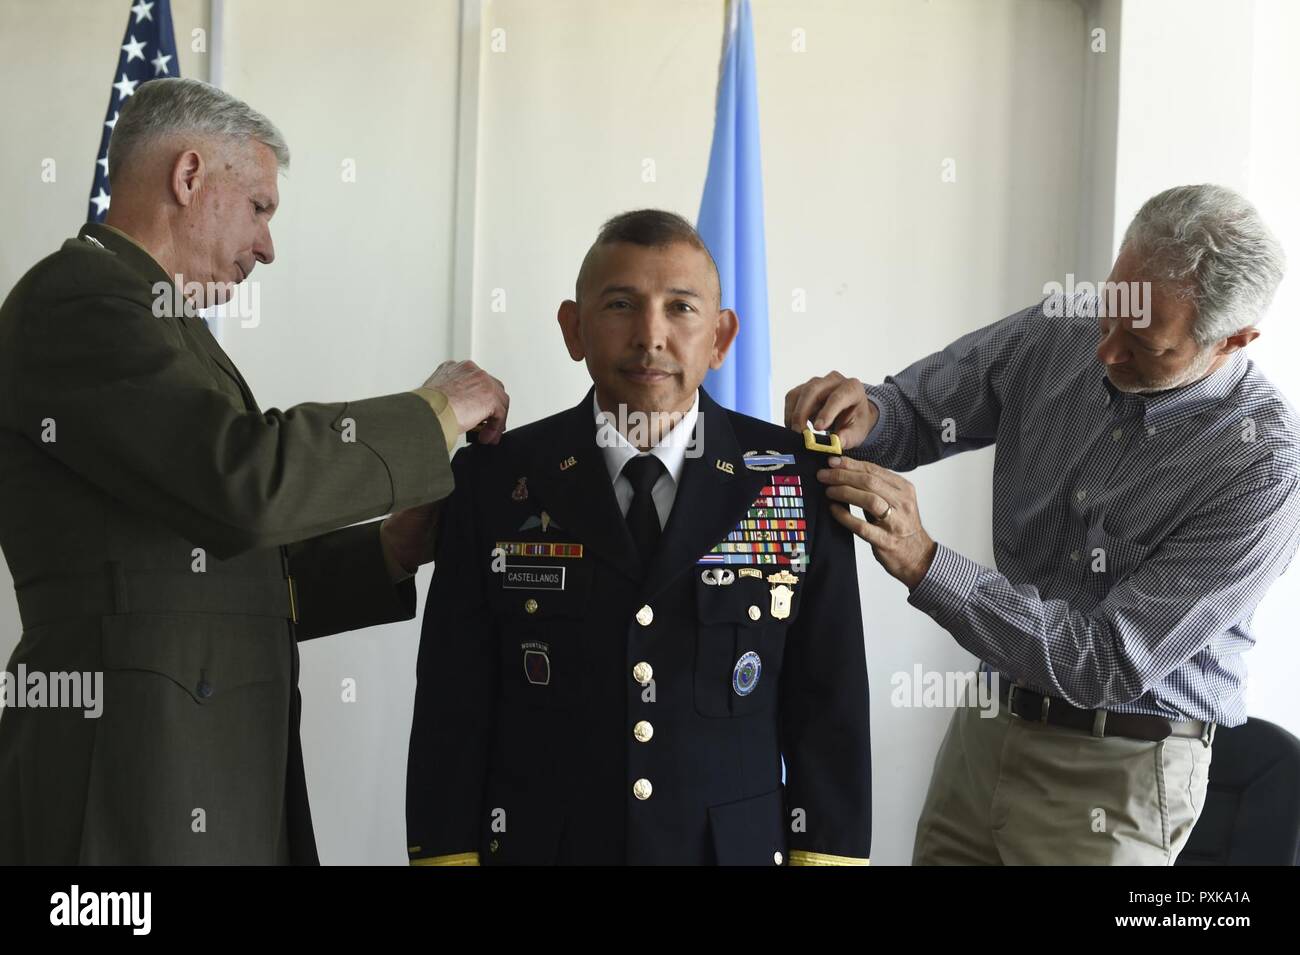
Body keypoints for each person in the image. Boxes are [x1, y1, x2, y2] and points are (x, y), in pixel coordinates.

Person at [0, 77, 509, 864]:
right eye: (261, 207)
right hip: (130, 791)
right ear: (189, 175)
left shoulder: (159, 322)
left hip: (198, 775)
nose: (268, 245)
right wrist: (434, 411)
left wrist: (387, 551)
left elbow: (213, 572)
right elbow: (244, 482)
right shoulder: (81, 299)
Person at [786, 184, 1300, 864]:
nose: (1104, 350)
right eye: (1109, 309)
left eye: (1142, 344)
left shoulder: (1260, 469)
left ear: (1234, 340)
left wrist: (925, 561)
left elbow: (1106, 660)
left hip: (1117, 772)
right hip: (987, 732)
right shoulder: (1066, 324)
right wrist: (868, 414)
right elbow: (916, 410)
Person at [406, 210, 871, 865]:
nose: (650, 336)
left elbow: (830, 706)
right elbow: (454, 704)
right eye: (620, 304)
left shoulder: (794, 481)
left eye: (681, 307)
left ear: (721, 336)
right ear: (574, 328)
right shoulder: (497, 479)